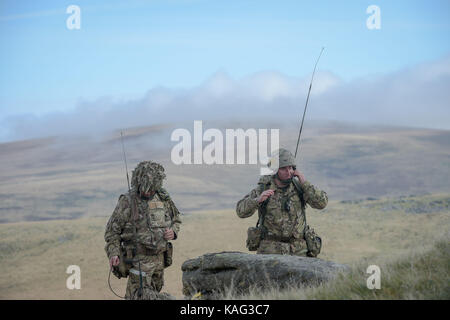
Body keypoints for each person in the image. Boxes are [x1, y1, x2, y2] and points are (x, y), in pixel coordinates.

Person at [104, 161, 181, 299]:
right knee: (137, 296)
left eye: (152, 188)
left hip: (159, 262)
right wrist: (114, 253)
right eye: (146, 188)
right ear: (138, 184)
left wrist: (173, 232)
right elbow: (112, 232)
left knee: (155, 296)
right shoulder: (127, 201)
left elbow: (176, 219)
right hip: (139, 262)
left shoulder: (163, 198)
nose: (149, 192)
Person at [236, 148, 327, 257]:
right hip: (270, 251)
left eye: (291, 168)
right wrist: (257, 200)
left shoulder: (300, 187)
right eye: (283, 169)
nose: (289, 172)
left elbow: (321, 203)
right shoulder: (263, 188)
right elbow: (240, 211)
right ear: (275, 170)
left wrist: (304, 183)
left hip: (298, 251)